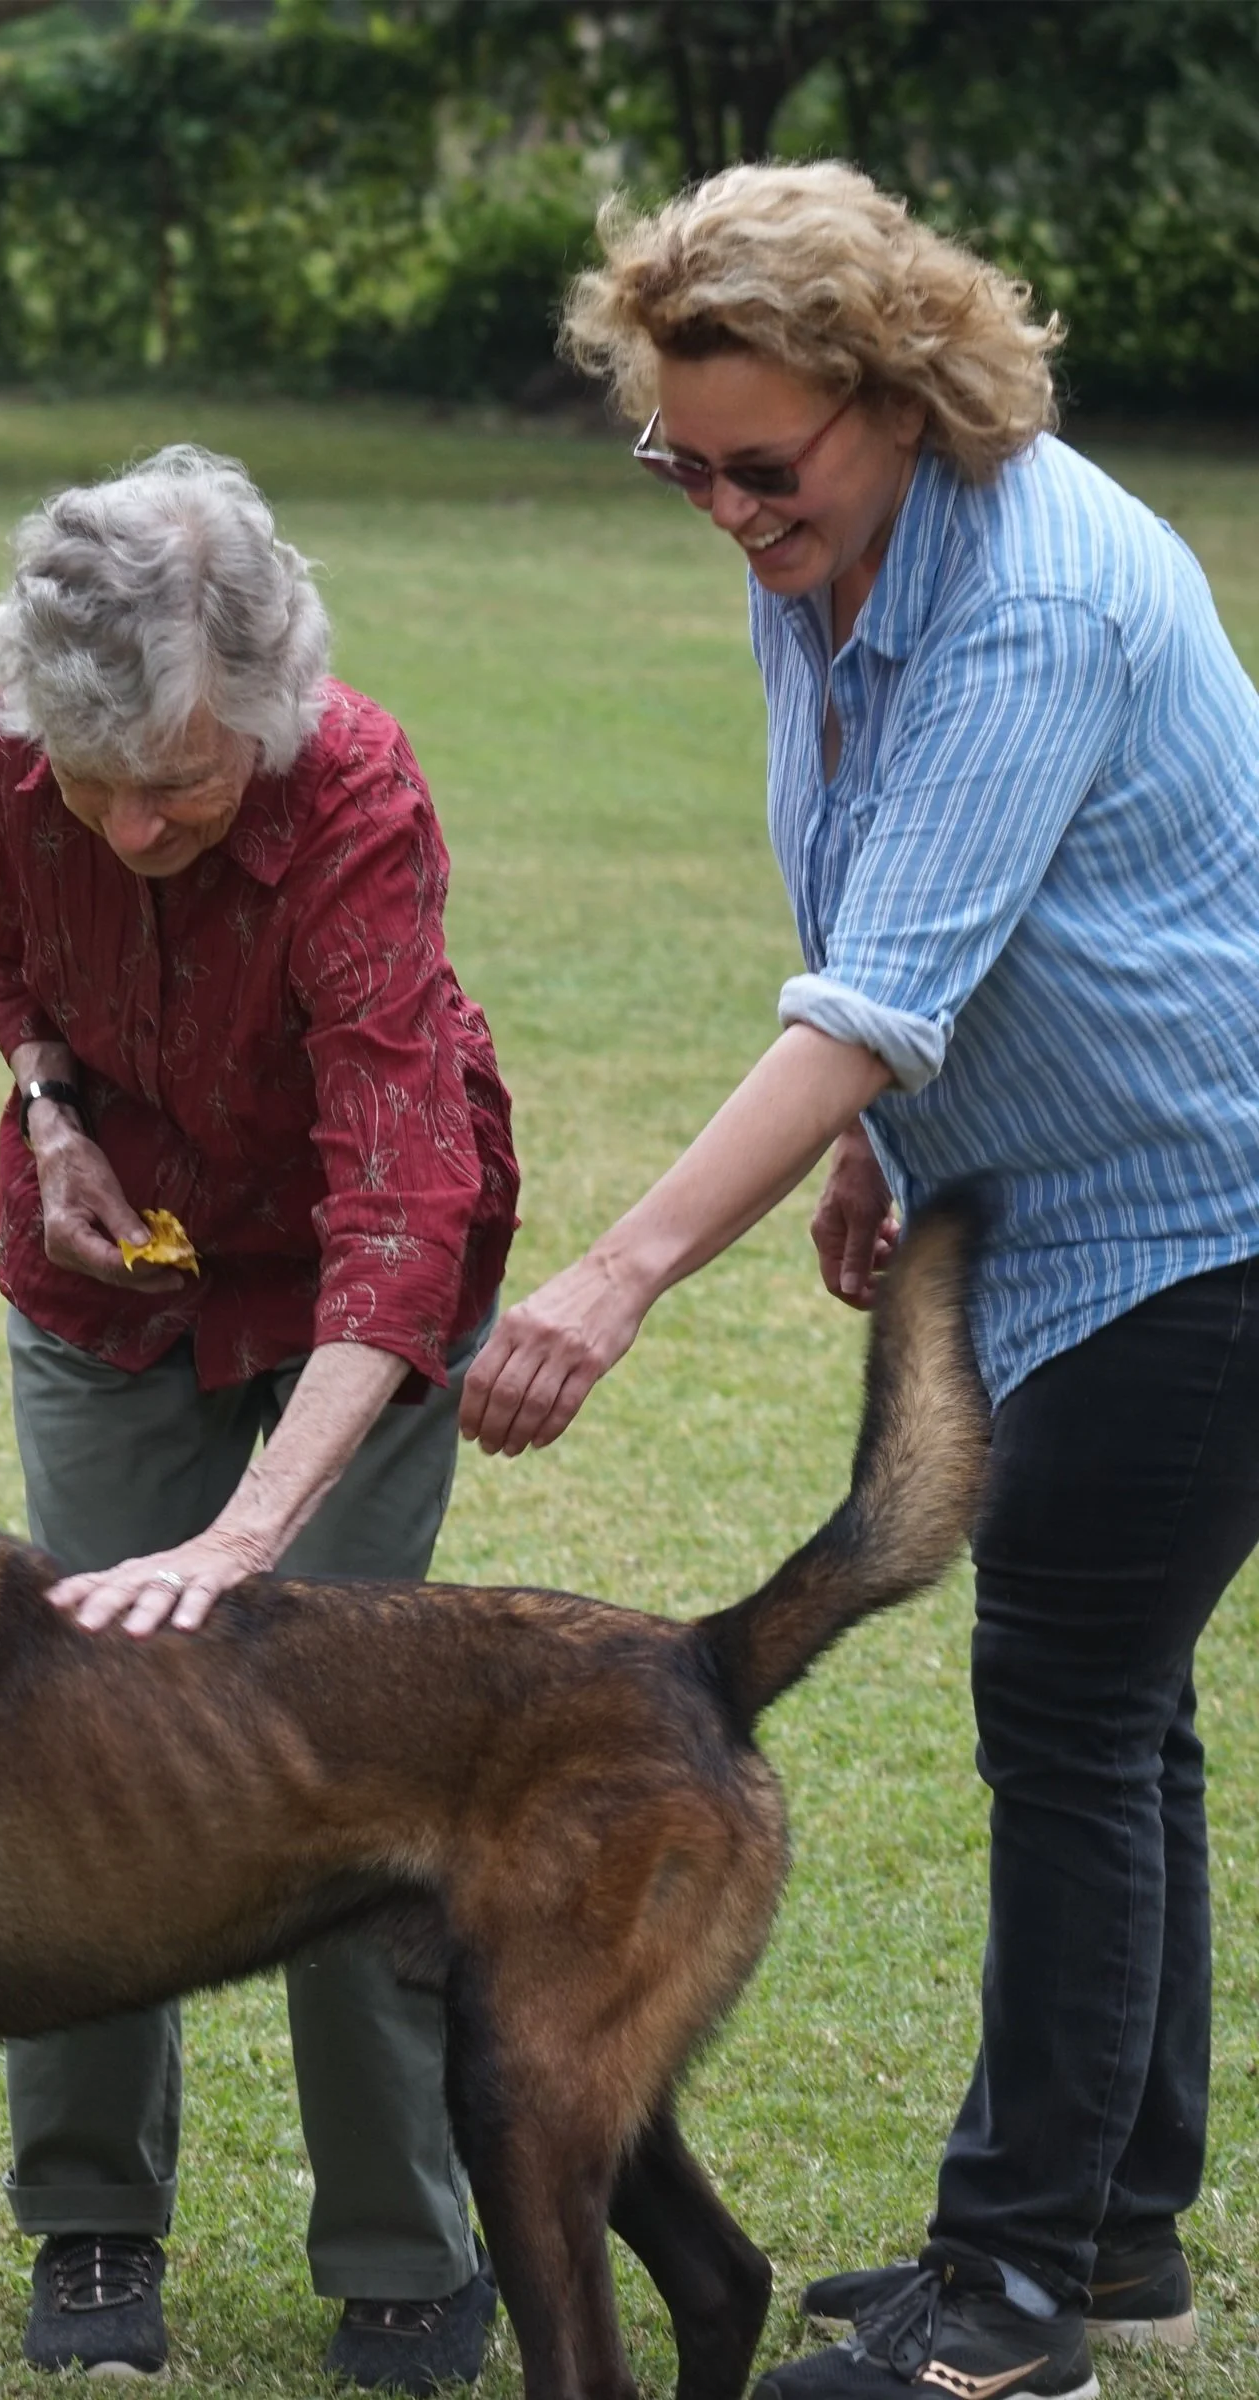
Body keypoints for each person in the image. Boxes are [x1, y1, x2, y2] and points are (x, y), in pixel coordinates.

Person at [460, 161, 1259, 2400]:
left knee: (1075, 1717)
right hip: (1045, 1191)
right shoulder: (830, 547)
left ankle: (1010, 2306)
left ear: (900, 394)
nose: (720, 505)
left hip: (1207, 1209)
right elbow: (888, 914)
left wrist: (615, 1276)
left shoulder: (1037, 599)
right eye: (676, 460)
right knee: (1121, 1716)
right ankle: (1108, 2237)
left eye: (759, 462)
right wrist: (893, 1152)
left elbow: (883, 982)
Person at [0, 446, 519, 2392]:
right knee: (82, 1742)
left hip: (346, 1302)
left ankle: (405, 2249)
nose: (127, 823)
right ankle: (94, 2229)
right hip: (112, 1283)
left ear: (271, 718)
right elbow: (10, 942)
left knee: (341, 1757)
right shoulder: (38, 747)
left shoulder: (356, 791)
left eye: (183, 784)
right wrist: (53, 1113)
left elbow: (401, 1206)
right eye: (95, 779)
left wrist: (244, 1542)